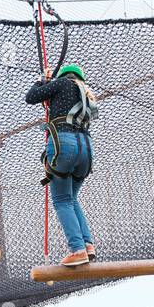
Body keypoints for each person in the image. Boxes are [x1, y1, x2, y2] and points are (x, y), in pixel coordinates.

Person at [26, 62, 98, 266]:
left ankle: (77, 249)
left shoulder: (62, 84)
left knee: (62, 201)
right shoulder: (86, 93)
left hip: (64, 145)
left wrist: (43, 80)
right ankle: (87, 244)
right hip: (86, 149)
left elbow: (31, 97)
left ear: (65, 75)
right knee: (71, 199)